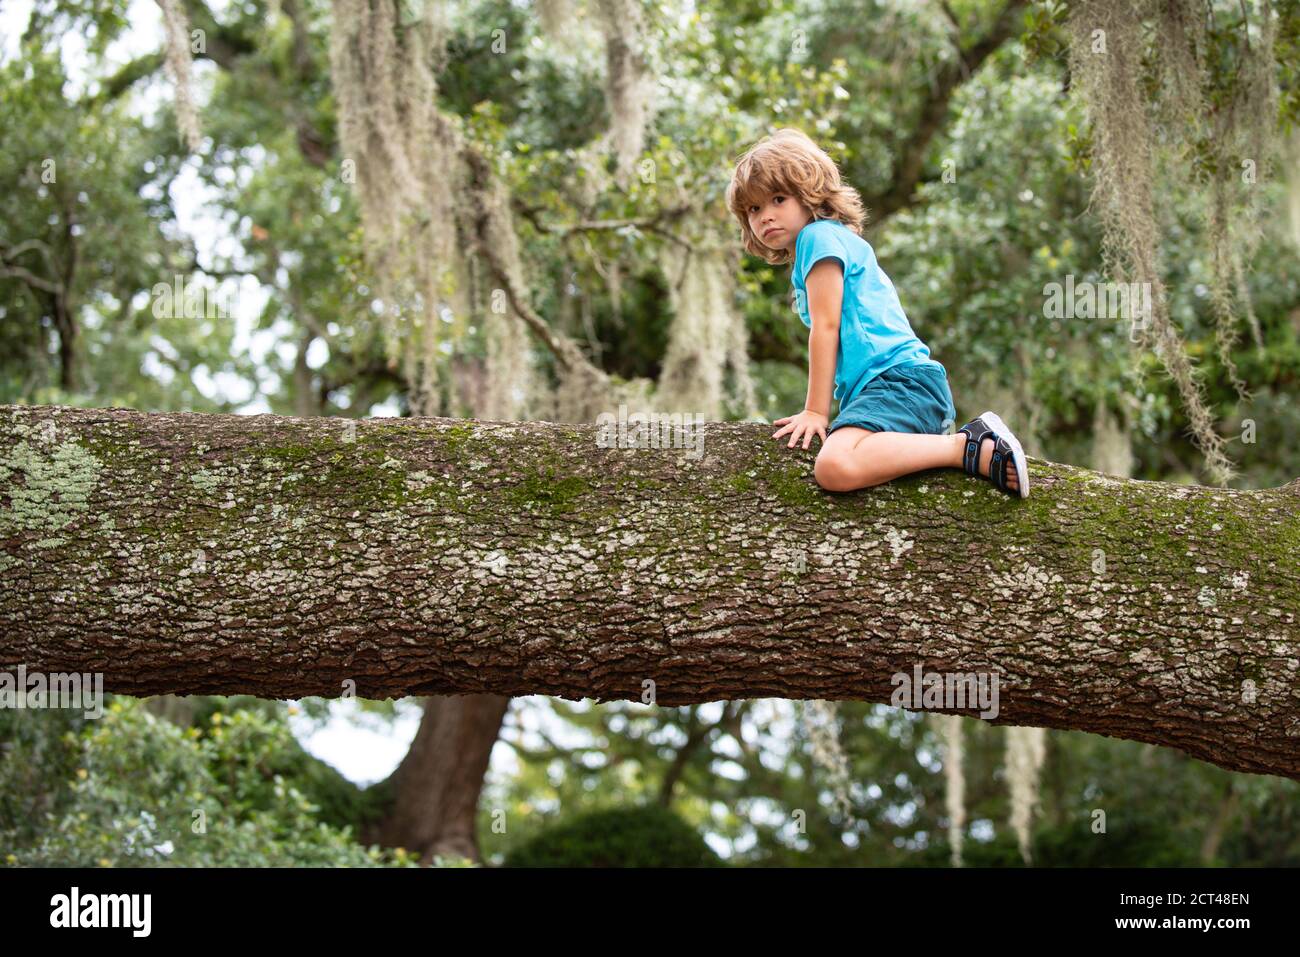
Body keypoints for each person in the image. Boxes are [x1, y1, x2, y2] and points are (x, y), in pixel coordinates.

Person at [725, 127, 1029, 498]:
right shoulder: (831, 239)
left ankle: (970, 445)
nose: (765, 216)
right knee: (846, 460)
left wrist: (816, 412)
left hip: (899, 382)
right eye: (754, 208)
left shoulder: (816, 238)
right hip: (897, 388)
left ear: (808, 197)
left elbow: (826, 325)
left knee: (834, 466)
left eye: (777, 199)